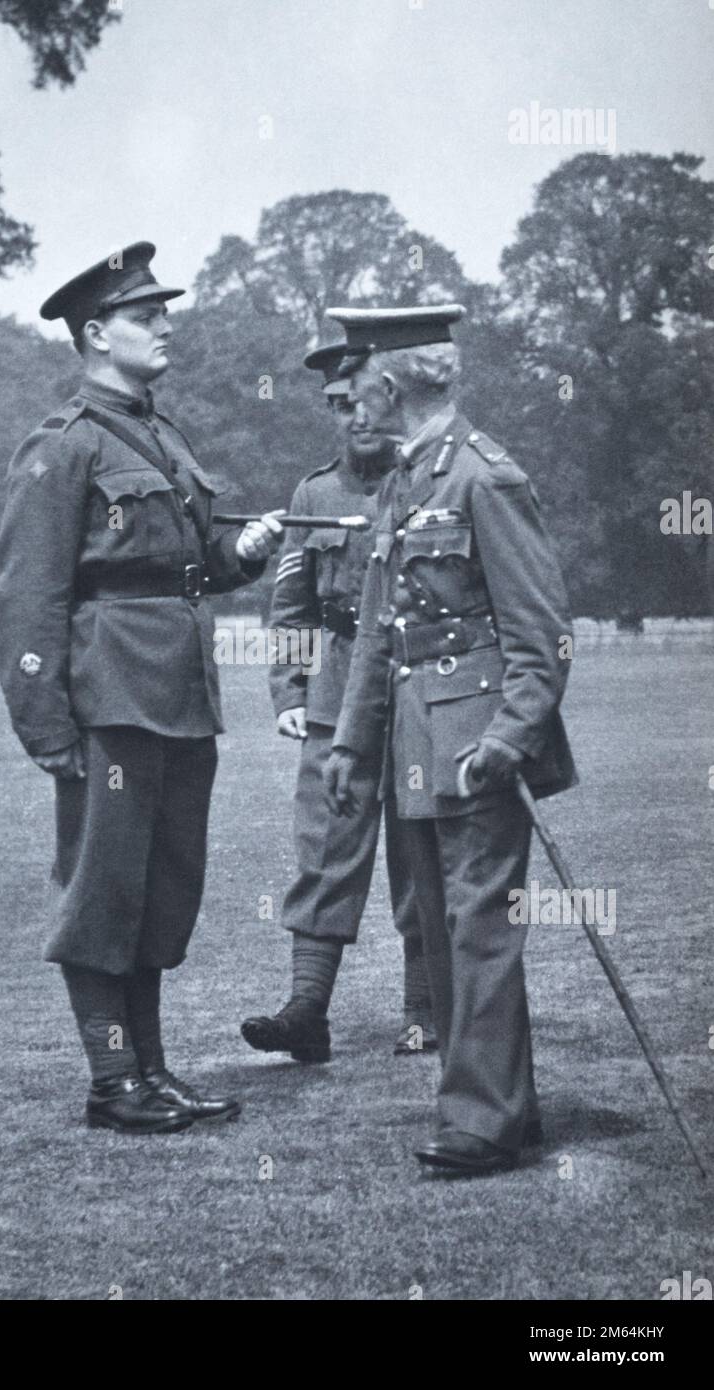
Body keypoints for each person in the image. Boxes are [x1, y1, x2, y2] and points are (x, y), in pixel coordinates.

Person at [0, 242, 283, 1135]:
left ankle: (152, 1071)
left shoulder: (164, 436)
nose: (164, 326)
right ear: (93, 334)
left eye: (164, 313)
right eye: (144, 316)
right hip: (109, 696)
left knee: (161, 888)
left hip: (181, 694)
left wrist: (241, 556)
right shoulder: (62, 447)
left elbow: (179, 572)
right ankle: (112, 1079)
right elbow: (26, 595)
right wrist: (47, 729)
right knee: (103, 891)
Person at [324, 305, 577, 1174]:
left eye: (359, 382)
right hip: (415, 748)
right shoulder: (403, 482)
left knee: (478, 931)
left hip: (477, 749)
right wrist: (352, 749)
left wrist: (510, 738)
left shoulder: (485, 477)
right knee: (439, 931)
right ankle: (505, 1104)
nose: (352, 400)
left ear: (391, 384)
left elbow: (540, 636)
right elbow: (377, 632)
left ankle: (485, 1120)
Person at [241, 342, 436, 1064]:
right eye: (337, 407)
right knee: (324, 849)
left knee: (425, 852)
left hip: (418, 684)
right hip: (335, 688)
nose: (352, 419)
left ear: (390, 399)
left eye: (361, 402)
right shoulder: (313, 495)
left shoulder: (431, 481)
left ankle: (425, 1012)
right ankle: (306, 1011)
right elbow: (291, 607)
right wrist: (290, 691)